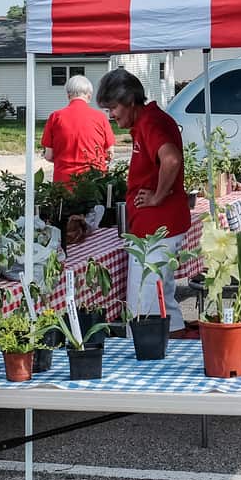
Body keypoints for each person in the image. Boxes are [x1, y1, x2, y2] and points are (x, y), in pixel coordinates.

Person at [97, 67, 192, 335]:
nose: (111, 115)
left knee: (146, 307)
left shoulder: (151, 122)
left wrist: (157, 196)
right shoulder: (146, 122)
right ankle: (171, 352)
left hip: (157, 228)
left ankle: (151, 363)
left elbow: (171, 159)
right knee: (163, 302)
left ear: (130, 101)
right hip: (156, 227)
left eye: (113, 108)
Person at [42, 74, 115, 182]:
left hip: (64, 181)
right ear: (89, 96)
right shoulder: (101, 118)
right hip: (95, 181)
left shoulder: (55, 117)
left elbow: (49, 156)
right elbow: (110, 154)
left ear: (68, 95)